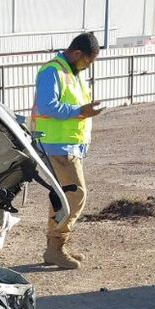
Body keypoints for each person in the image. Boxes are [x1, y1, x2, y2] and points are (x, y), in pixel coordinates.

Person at [32, 32, 104, 269]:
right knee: (75, 195)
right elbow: (47, 106)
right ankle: (56, 247)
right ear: (76, 53)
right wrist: (81, 111)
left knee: (62, 196)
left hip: (68, 145)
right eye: (87, 61)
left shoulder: (73, 73)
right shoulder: (52, 71)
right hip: (56, 145)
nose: (88, 66)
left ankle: (54, 248)